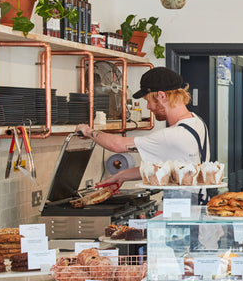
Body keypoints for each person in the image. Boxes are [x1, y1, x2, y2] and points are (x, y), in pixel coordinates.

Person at [75, 66, 210, 190]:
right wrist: (120, 176)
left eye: (148, 101)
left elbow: (116, 145)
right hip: (194, 203)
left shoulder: (172, 135)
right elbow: (164, 168)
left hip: (182, 208)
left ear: (161, 96)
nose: (148, 107)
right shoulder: (196, 121)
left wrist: (87, 131)